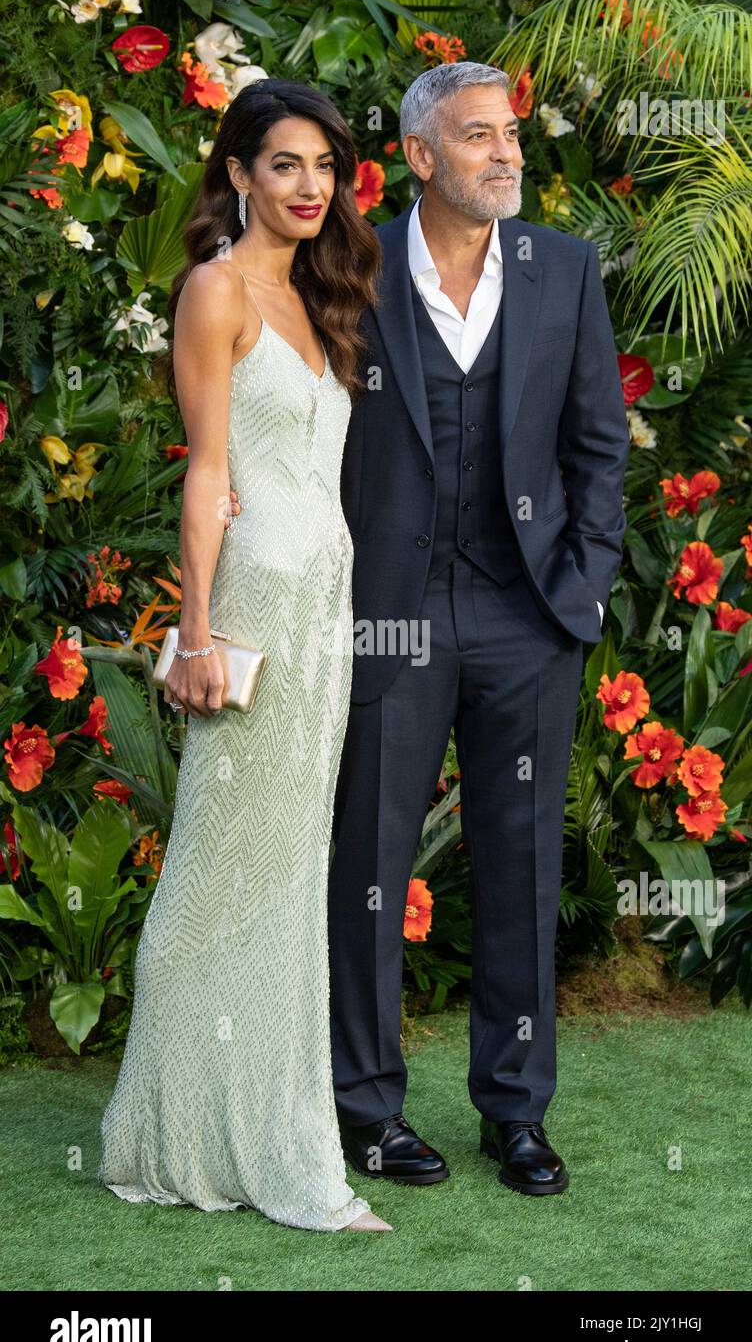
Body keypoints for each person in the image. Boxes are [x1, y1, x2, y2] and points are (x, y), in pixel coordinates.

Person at [326, 62, 630, 1195]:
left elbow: (598, 445)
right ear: (417, 157)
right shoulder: (348, 276)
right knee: (368, 864)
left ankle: (515, 1113)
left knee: (515, 863)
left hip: (523, 615)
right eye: (475, 138)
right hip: (387, 620)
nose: (504, 153)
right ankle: (366, 1111)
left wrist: (578, 588)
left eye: (508, 135)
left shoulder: (563, 269)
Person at [98, 79, 391, 1232]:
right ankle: (174, 1128)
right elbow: (208, 477)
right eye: (283, 164)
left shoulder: (323, 295)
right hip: (255, 608)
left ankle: (254, 1117)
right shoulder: (215, 291)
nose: (308, 185)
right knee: (220, 865)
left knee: (279, 876)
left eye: (322, 165)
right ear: (237, 172)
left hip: (326, 601)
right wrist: (199, 632)